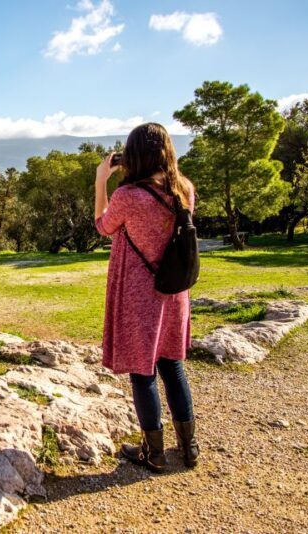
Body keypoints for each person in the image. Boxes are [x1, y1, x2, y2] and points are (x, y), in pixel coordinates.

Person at [94, 122, 199, 473]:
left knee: (143, 371)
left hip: (141, 294)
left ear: (133, 154)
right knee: (172, 366)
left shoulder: (128, 196)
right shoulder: (184, 189)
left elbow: (103, 226)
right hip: (174, 292)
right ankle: (189, 447)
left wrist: (100, 181)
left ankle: (154, 452)